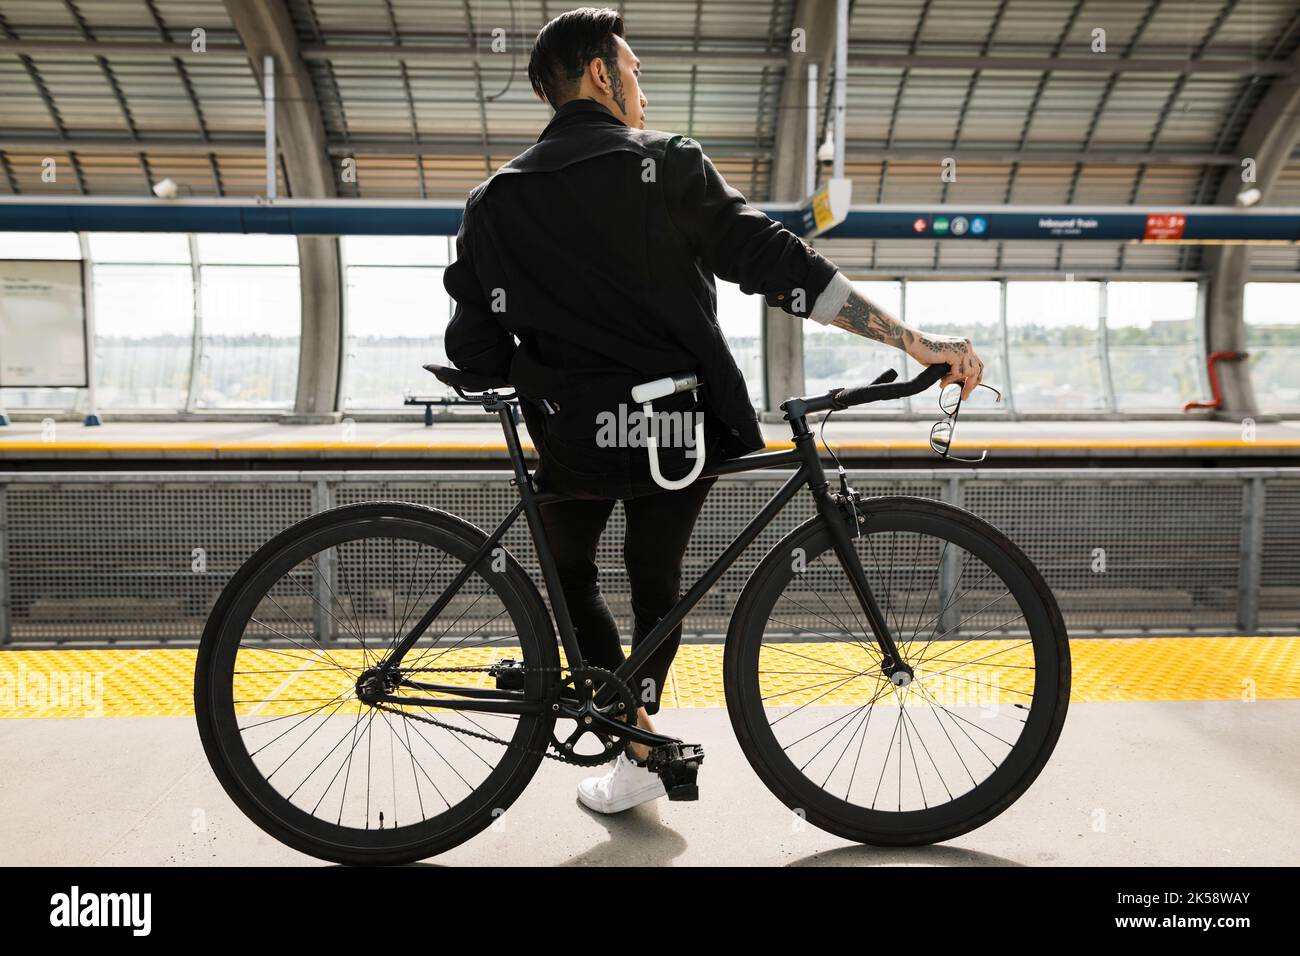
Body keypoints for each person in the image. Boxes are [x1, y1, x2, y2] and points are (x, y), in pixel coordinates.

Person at [443, 6, 986, 814]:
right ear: (601, 74)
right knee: (658, 587)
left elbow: (474, 351)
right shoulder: (666, 165)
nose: (643, 92)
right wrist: (910, 340)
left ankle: (630, 735)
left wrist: (535, 360)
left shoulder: (494, 201)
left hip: (575, 436)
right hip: (676, 432)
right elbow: (775, 262)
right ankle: (637, 744)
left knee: (570, 575)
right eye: (634, 72)